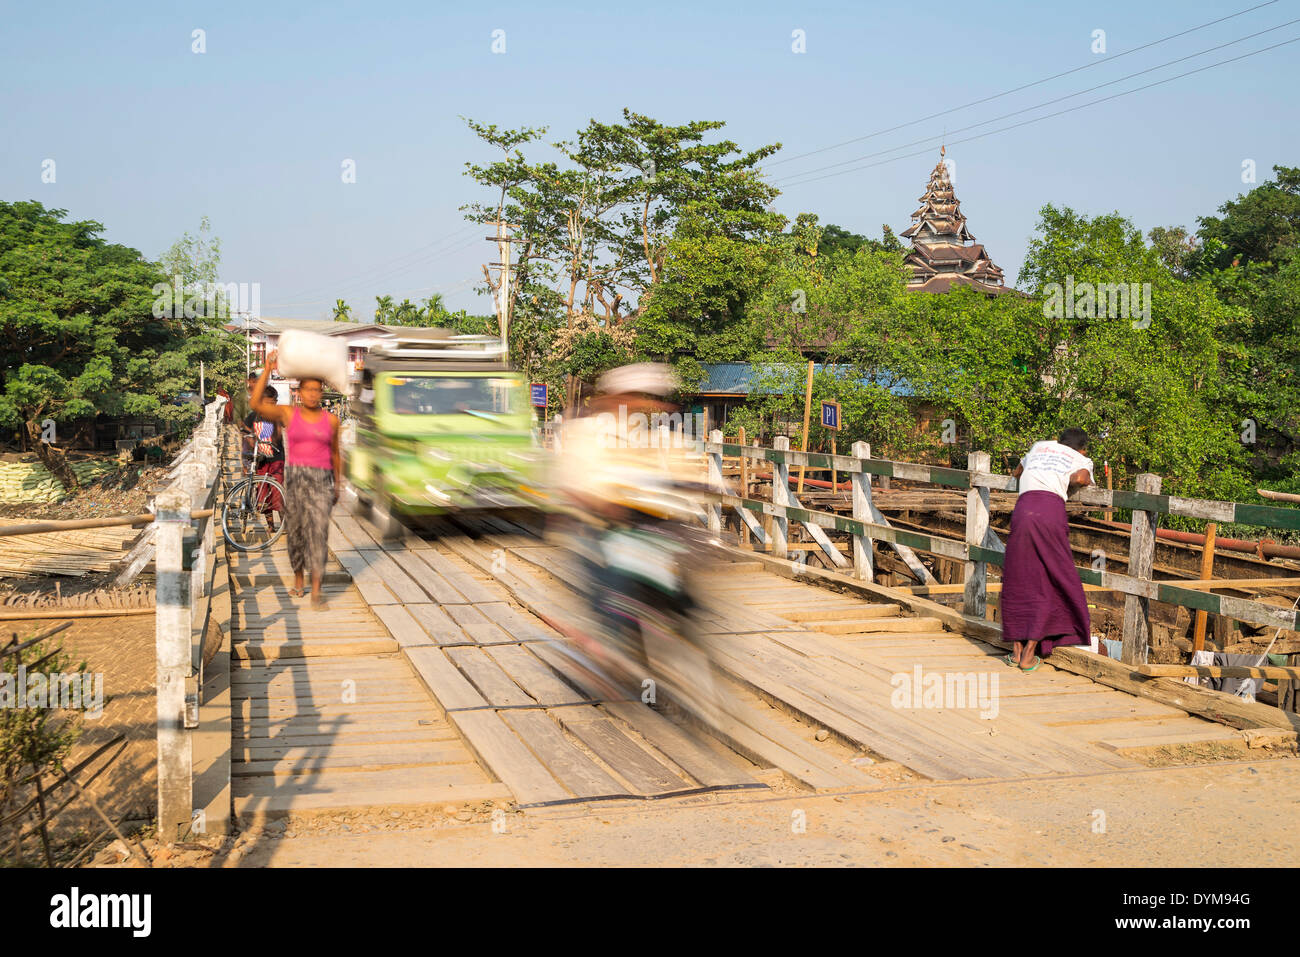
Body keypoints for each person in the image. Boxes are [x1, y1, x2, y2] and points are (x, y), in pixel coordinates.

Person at [249, 354, 342, 609]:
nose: (313, 394)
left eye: (317, 390)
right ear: (299, 392)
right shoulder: (289, 414)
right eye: (308, 389)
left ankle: (316, 591)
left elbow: (335, 453)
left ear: (321, 393)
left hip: (322, 481)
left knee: (319, 534)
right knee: (298, 534)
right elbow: (256, 403)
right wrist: (267, 368)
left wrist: (338, 484)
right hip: (296, 479)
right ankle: (298, 578)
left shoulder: (332, 421)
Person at [1002, 428, 1095, 672]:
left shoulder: (1039, 446)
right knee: (1052, 577)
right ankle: (1030, 652)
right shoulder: (1081, 458)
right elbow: (1081, 479)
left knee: (1019, 575)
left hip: (1023, 510)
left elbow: (1017, 472)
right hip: (1049, 511)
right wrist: (1066, 480)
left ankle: (1016, 650)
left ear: (1058, 441)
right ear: (1082, 448)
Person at [243, 385, 285, 532]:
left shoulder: (277, 415)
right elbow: (245, 430)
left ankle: (285, 524)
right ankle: (271, 526)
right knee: (262, 492)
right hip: (260, 459)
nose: (270, 407)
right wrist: (250, 444)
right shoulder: (253, 416)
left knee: (277, 491)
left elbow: (279, 433)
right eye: (268, 404)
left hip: (276, 458)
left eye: (273, 403)